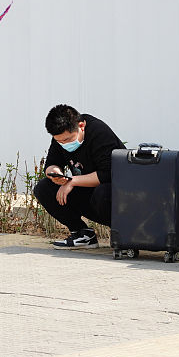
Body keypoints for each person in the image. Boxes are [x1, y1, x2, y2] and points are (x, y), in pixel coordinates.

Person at [32, 104, 126, 249]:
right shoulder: (60, 138)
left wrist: (72, 181)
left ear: (81, 126)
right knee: (44, 188)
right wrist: (56, 174)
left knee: (102, 193)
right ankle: (82, 234)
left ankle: (124, 234)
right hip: (86, 192)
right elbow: (51, 163)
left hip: (115, 195)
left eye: (68, 139)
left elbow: (108, 173)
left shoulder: (99, 133)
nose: (65, 144)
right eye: (60, 141)